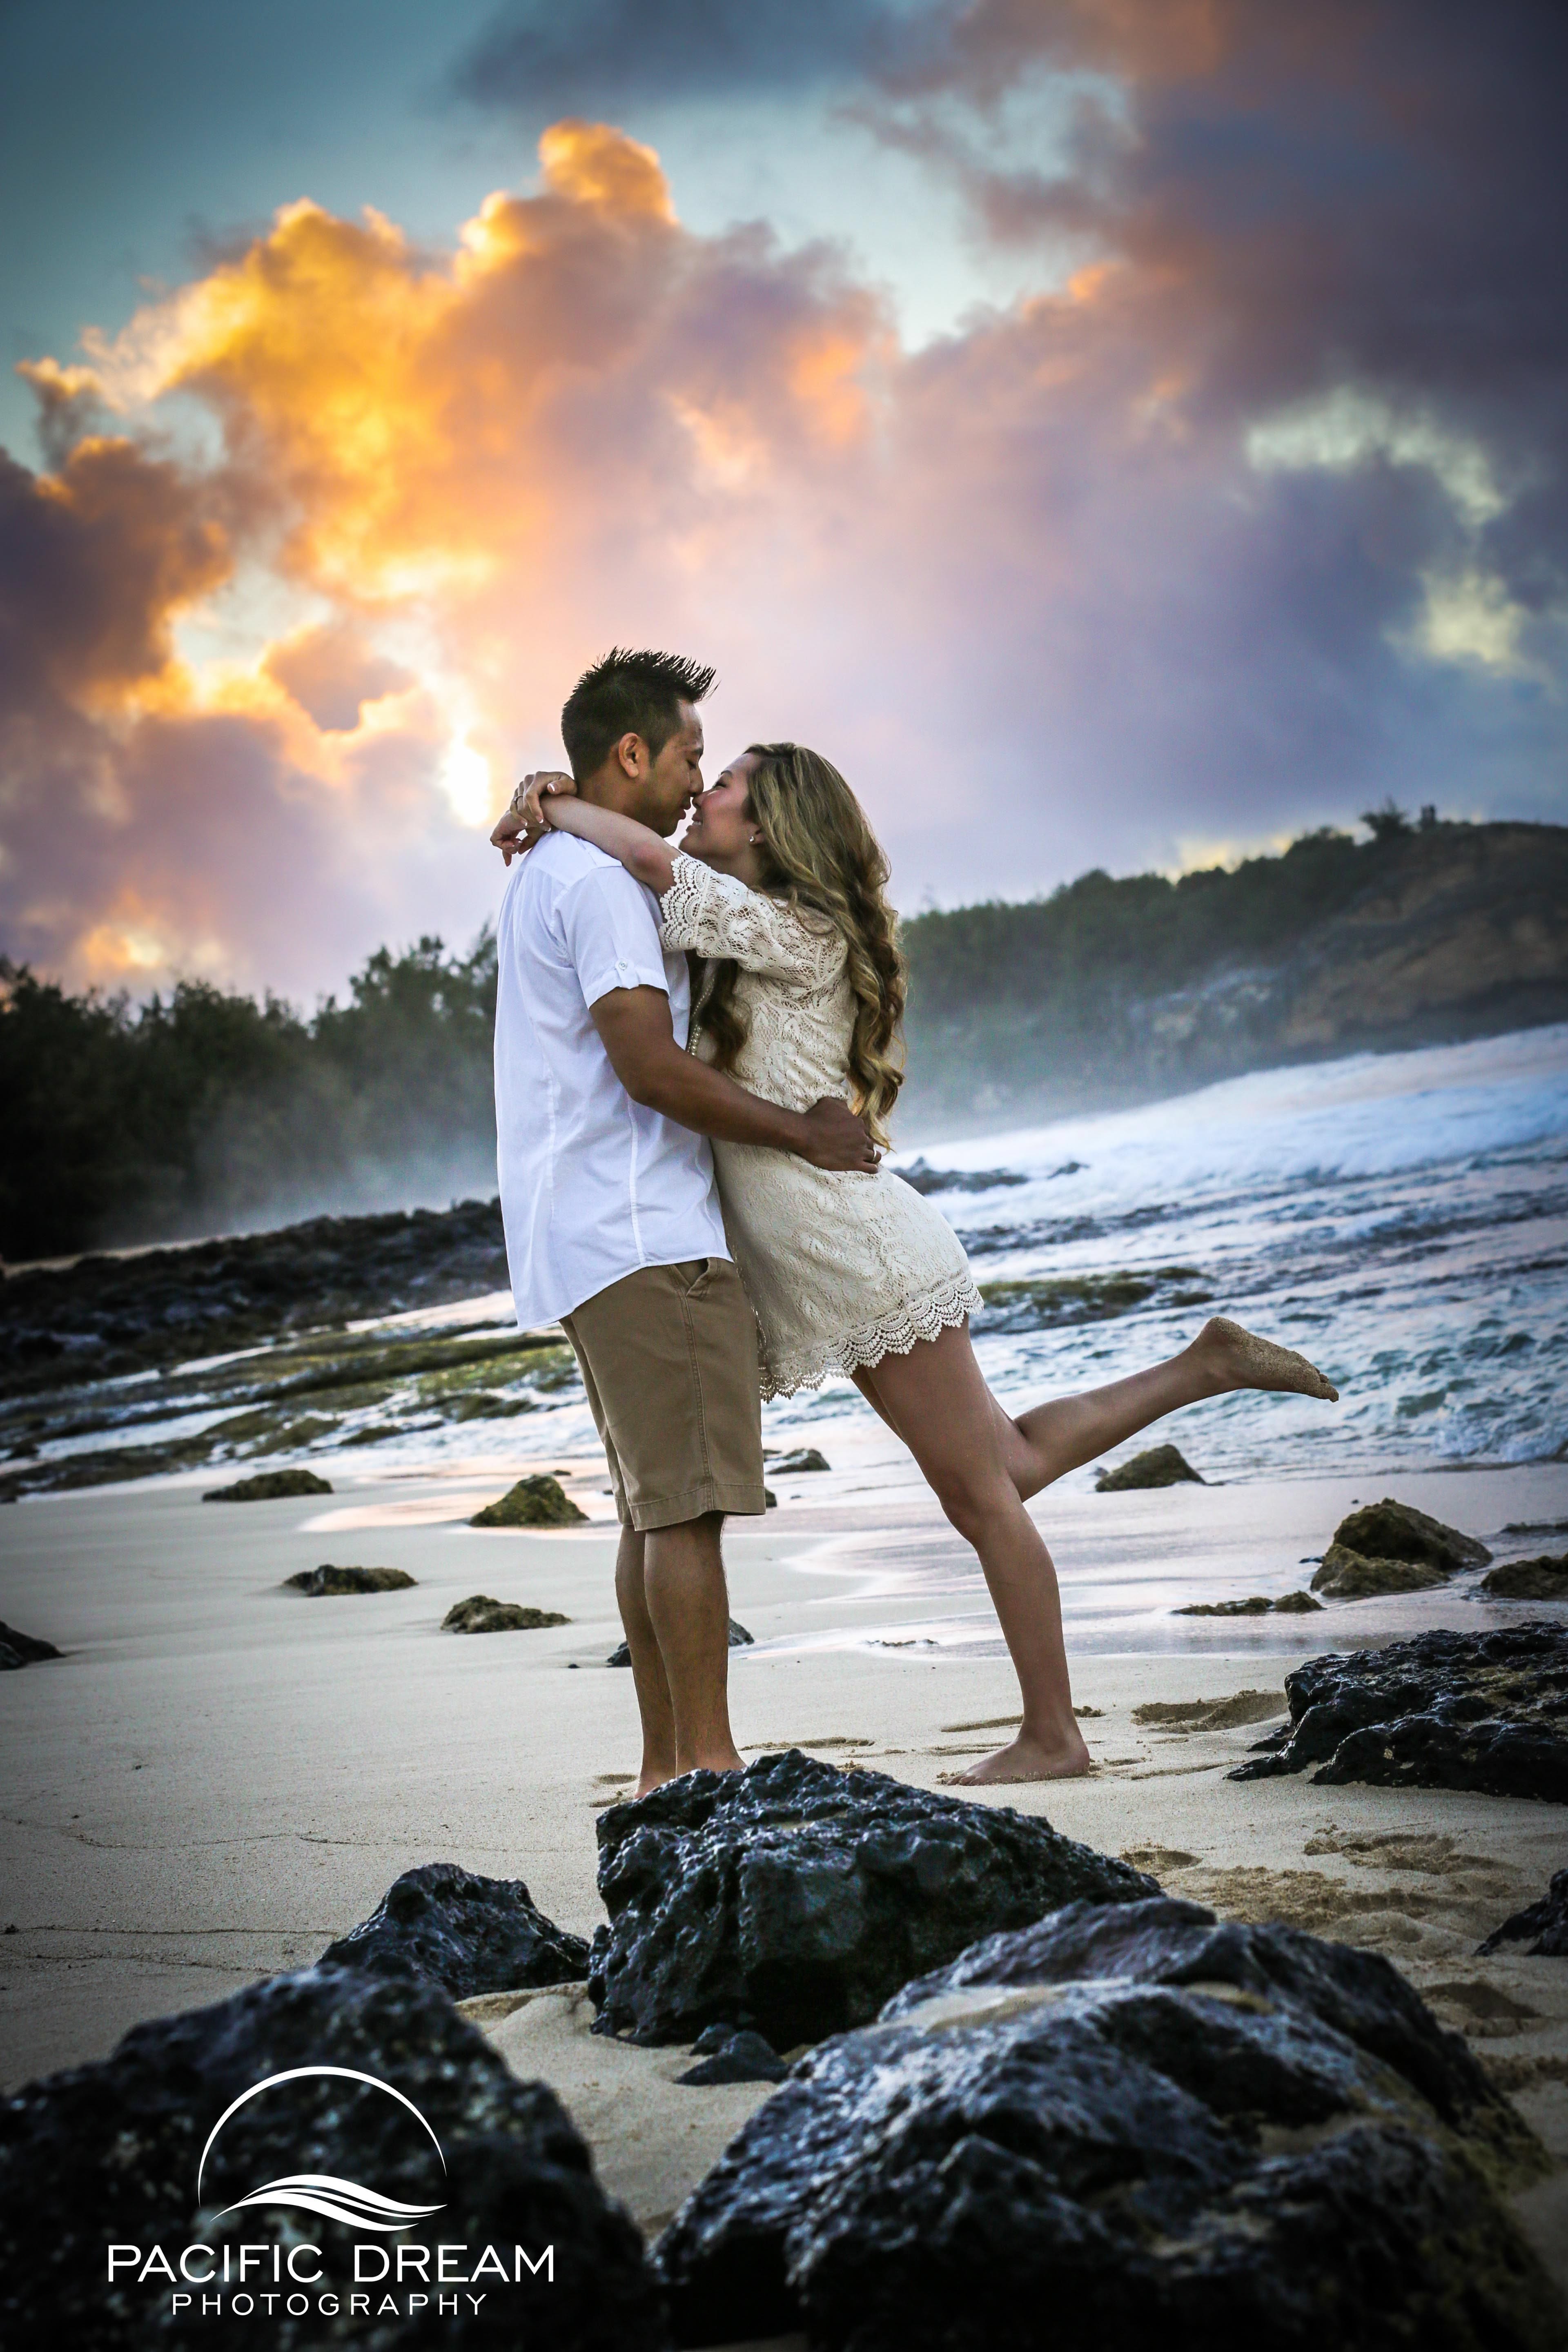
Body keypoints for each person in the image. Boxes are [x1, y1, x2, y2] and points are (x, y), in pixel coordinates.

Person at [497, 739, 1341, 1784]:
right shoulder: (748, 931)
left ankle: (1053, 1735)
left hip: (860, 1256)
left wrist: (553, 801)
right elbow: (659, 879)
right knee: (1010, 1465)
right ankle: (1204, 1364)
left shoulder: (795, 933)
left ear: (767, 825)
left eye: (725, 787)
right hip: (830, 1256)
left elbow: (652, 861)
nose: (703, 797)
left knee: (987, 1494)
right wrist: (550, 794)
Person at [491, 653, 876, 1799]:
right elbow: (651, 1069)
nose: (696, 777)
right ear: (633, 755)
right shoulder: (601, 886)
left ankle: (667, 1767)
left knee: (654, 1509)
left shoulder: (551, 867)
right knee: (690, 1512)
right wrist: (804, 1136)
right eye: (691, 756)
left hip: (587, 1231)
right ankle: (708, 1764)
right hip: (643, 1230)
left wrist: (545, 798)